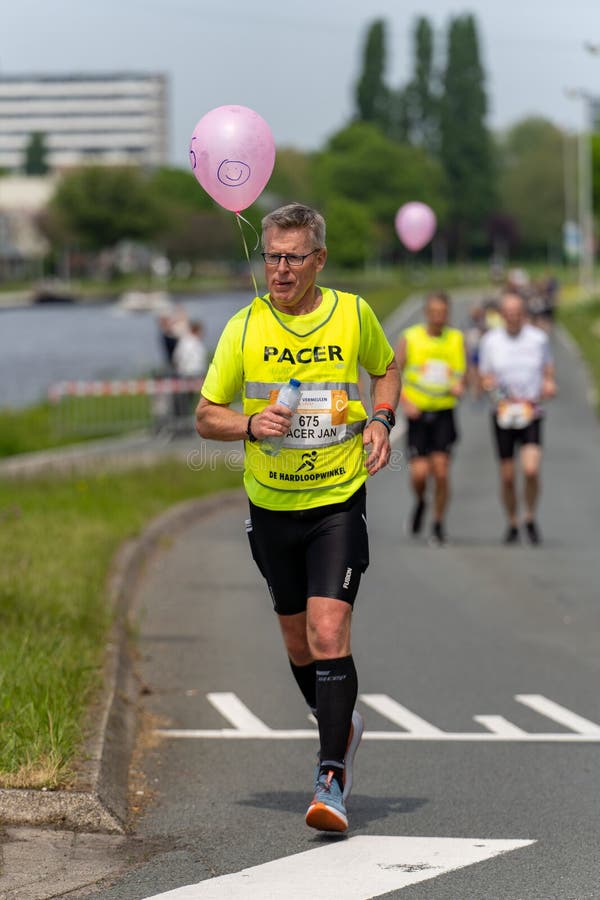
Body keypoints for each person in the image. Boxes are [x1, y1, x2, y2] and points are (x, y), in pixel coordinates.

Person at [196, 203, 400, 833]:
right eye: (272, 256)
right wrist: (250, 424)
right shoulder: (244, 326)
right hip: (271, 504)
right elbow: (206, 414)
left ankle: (331, 775)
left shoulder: (353, 313)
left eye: (293, 257)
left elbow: (386, 367)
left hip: (337, 499)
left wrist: (381, 419)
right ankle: (340, 718)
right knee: (297, 641)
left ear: (320, 259)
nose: (280, 270)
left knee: (328, 631)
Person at [478, 291, 557, 545]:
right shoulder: (490, 341)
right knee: (508, 476)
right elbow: (484, 376)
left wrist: (548, 383)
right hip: (502, 413)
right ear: (501, 315)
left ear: (524, 314)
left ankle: (530, 516)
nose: (513, 317)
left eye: (517, 313)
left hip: (530, 410)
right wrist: (490, 386)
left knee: (531, 470)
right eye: (508, 313)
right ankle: (512, 520)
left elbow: (548, 368)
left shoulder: (538, 339)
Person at [395, 291, 466, 545]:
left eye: (443, 313)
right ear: (427, 313)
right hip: (418, 414)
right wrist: (406, 402)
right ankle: (421, 501)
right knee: (420, 474)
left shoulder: (456, 339)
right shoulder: (411, 338)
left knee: (442, 471)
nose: (439, 318)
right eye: (434, 313)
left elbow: (461, 374)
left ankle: (437, 523)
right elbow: (393, 374)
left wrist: (460, 386)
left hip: (444, 412)